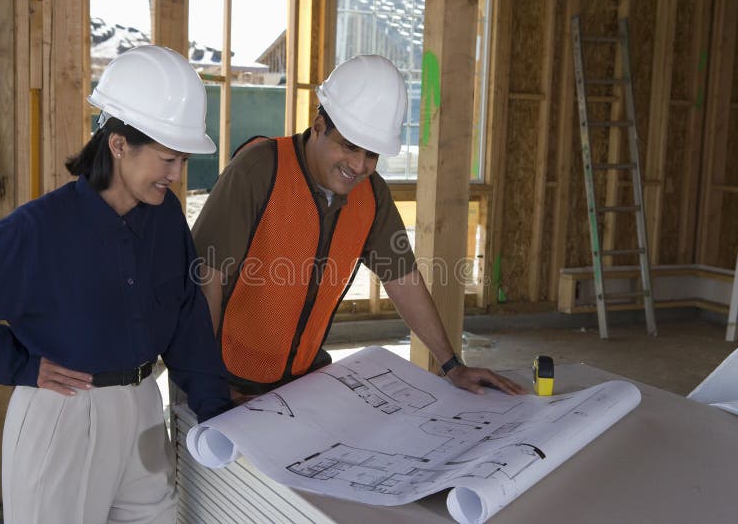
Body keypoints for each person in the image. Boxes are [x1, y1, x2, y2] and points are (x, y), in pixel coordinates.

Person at [0, 45, 230, 523]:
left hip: (141, 406)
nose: (177, 175)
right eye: (168, 159)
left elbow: (186, 319)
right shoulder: (41, 227)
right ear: (118, 144)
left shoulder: (165, 218)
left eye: (182, 160)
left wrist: (214, 409)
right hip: (63, 414)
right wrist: (17, 365)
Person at [191, 54, 524, 400]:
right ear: (319, 126)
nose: (359, 165)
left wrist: (452, 364)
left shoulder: (371, 195)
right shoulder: (259, 170)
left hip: (302, 381)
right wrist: (205, 380)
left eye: (372, 154)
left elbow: (403, 280)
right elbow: (206, 279)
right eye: (349, 146)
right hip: (225, 376)